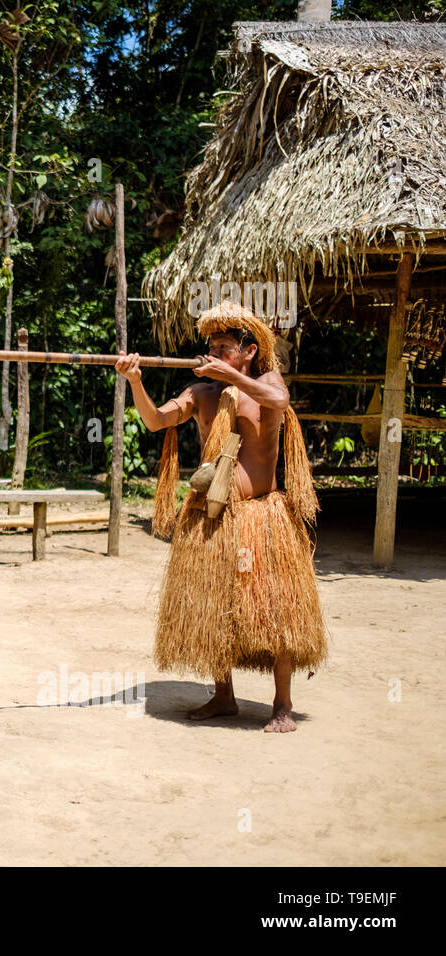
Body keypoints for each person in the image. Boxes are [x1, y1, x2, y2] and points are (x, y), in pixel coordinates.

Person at [114, 300, 327, 733]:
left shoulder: (266, 382)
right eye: (211, 346)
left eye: (225, 346)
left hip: (263, 520)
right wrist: (135, 381)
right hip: (213, 517)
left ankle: (282, 704)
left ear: (249, 351)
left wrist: (230, 377)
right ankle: (223, 695)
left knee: (277, 611)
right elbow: (156, 421)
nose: (214, 353)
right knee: (216, 608)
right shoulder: (201, 394)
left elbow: (281, 400)